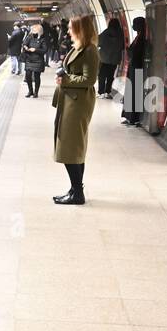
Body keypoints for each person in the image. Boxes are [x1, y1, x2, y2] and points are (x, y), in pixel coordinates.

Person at [50, 15, 99, 205]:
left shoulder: (90, 51)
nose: (68, 31)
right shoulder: (78, 47)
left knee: (69, 146)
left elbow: (89, 79)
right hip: (70, 100)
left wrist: (66, 80)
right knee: (74, 146)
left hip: (78, 103)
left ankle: (78, 193)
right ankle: (75, 190)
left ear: (81, 29)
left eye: (71, 28)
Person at [123, 16, 148, 126]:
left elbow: (137, 53)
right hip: (133, 68)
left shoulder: (142, 38)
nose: (133, 26)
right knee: (131, 92)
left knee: (135, 93)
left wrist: (129, 50)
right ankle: (129, 117)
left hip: (137, 69)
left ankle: (134, 118)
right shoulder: (138, 37)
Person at [97, 16, 124, 99]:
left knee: (102, 76)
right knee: (110, 76)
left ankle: (101, 92)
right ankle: (107, 92)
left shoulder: (106, 32)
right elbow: (122, 46)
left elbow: (98, 42)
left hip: (105, 59)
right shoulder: (120, 34)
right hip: (114, 59)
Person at [20, 23, 47, 98]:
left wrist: (35, 50)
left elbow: (44, 50)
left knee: (37, 76)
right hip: (29, 59)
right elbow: (24, 43)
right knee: (28, 76)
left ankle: (36, 92)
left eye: (35, 30)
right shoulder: (29, 37)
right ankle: (30, 91)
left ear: (39, 31)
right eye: (33, 30)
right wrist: (25, 47)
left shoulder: (42, 39)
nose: (33, 32)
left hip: (38, 61)